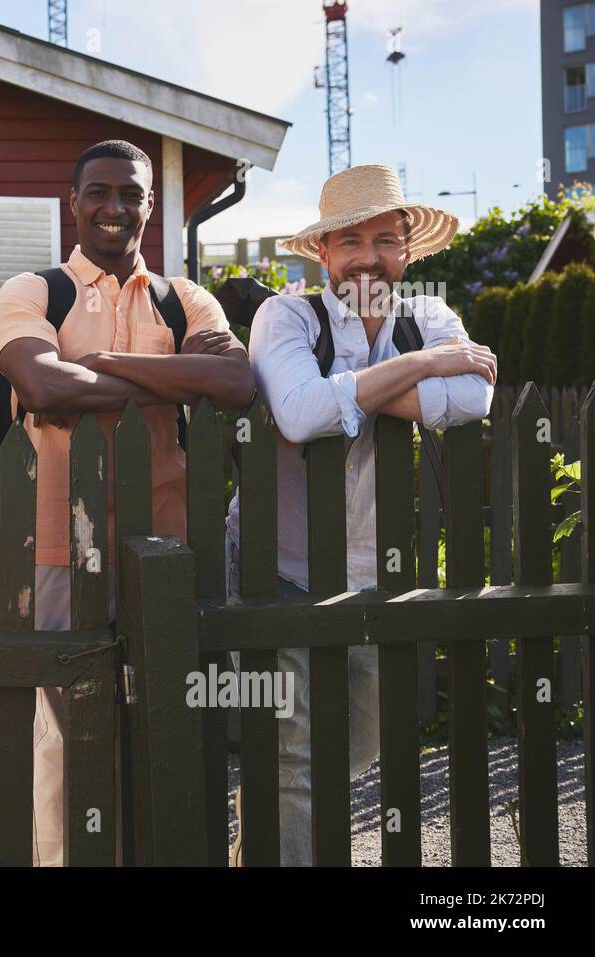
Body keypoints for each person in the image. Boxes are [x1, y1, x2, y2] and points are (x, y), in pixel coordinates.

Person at [224, 163, 496, 865]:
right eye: (350, 240)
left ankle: (258, 844)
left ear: (408, 249)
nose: (368, 257)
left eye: (384, 238)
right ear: (323, 253)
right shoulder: (286, 315)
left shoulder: (429, 317)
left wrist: (373, 384)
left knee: (360, 746)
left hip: (375, 570)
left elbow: (477, 399)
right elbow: (301, 413)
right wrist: (421, 368)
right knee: (292, 754)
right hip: (276, 566)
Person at [0, 139, 253, 866]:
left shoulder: (184, 298)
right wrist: (176, 377)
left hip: (165, 548)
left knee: (162, 724)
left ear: (148, 204)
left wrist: (103, 365)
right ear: (73, 202)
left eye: (130, 195)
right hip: (55, 544)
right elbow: (40, 387)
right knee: (61, 733)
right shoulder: (34, 290)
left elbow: (235, 384)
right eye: (99, 193)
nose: (115, 208)